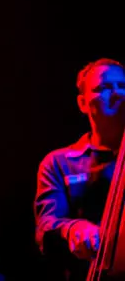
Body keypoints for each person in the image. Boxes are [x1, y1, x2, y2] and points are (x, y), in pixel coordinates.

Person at [34, 58, 125, 281]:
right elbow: (46, 226)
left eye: (123, 86)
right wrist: (73, 229)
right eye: (104, 88)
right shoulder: (58, 163)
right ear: (83, 103)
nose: (117, 94)